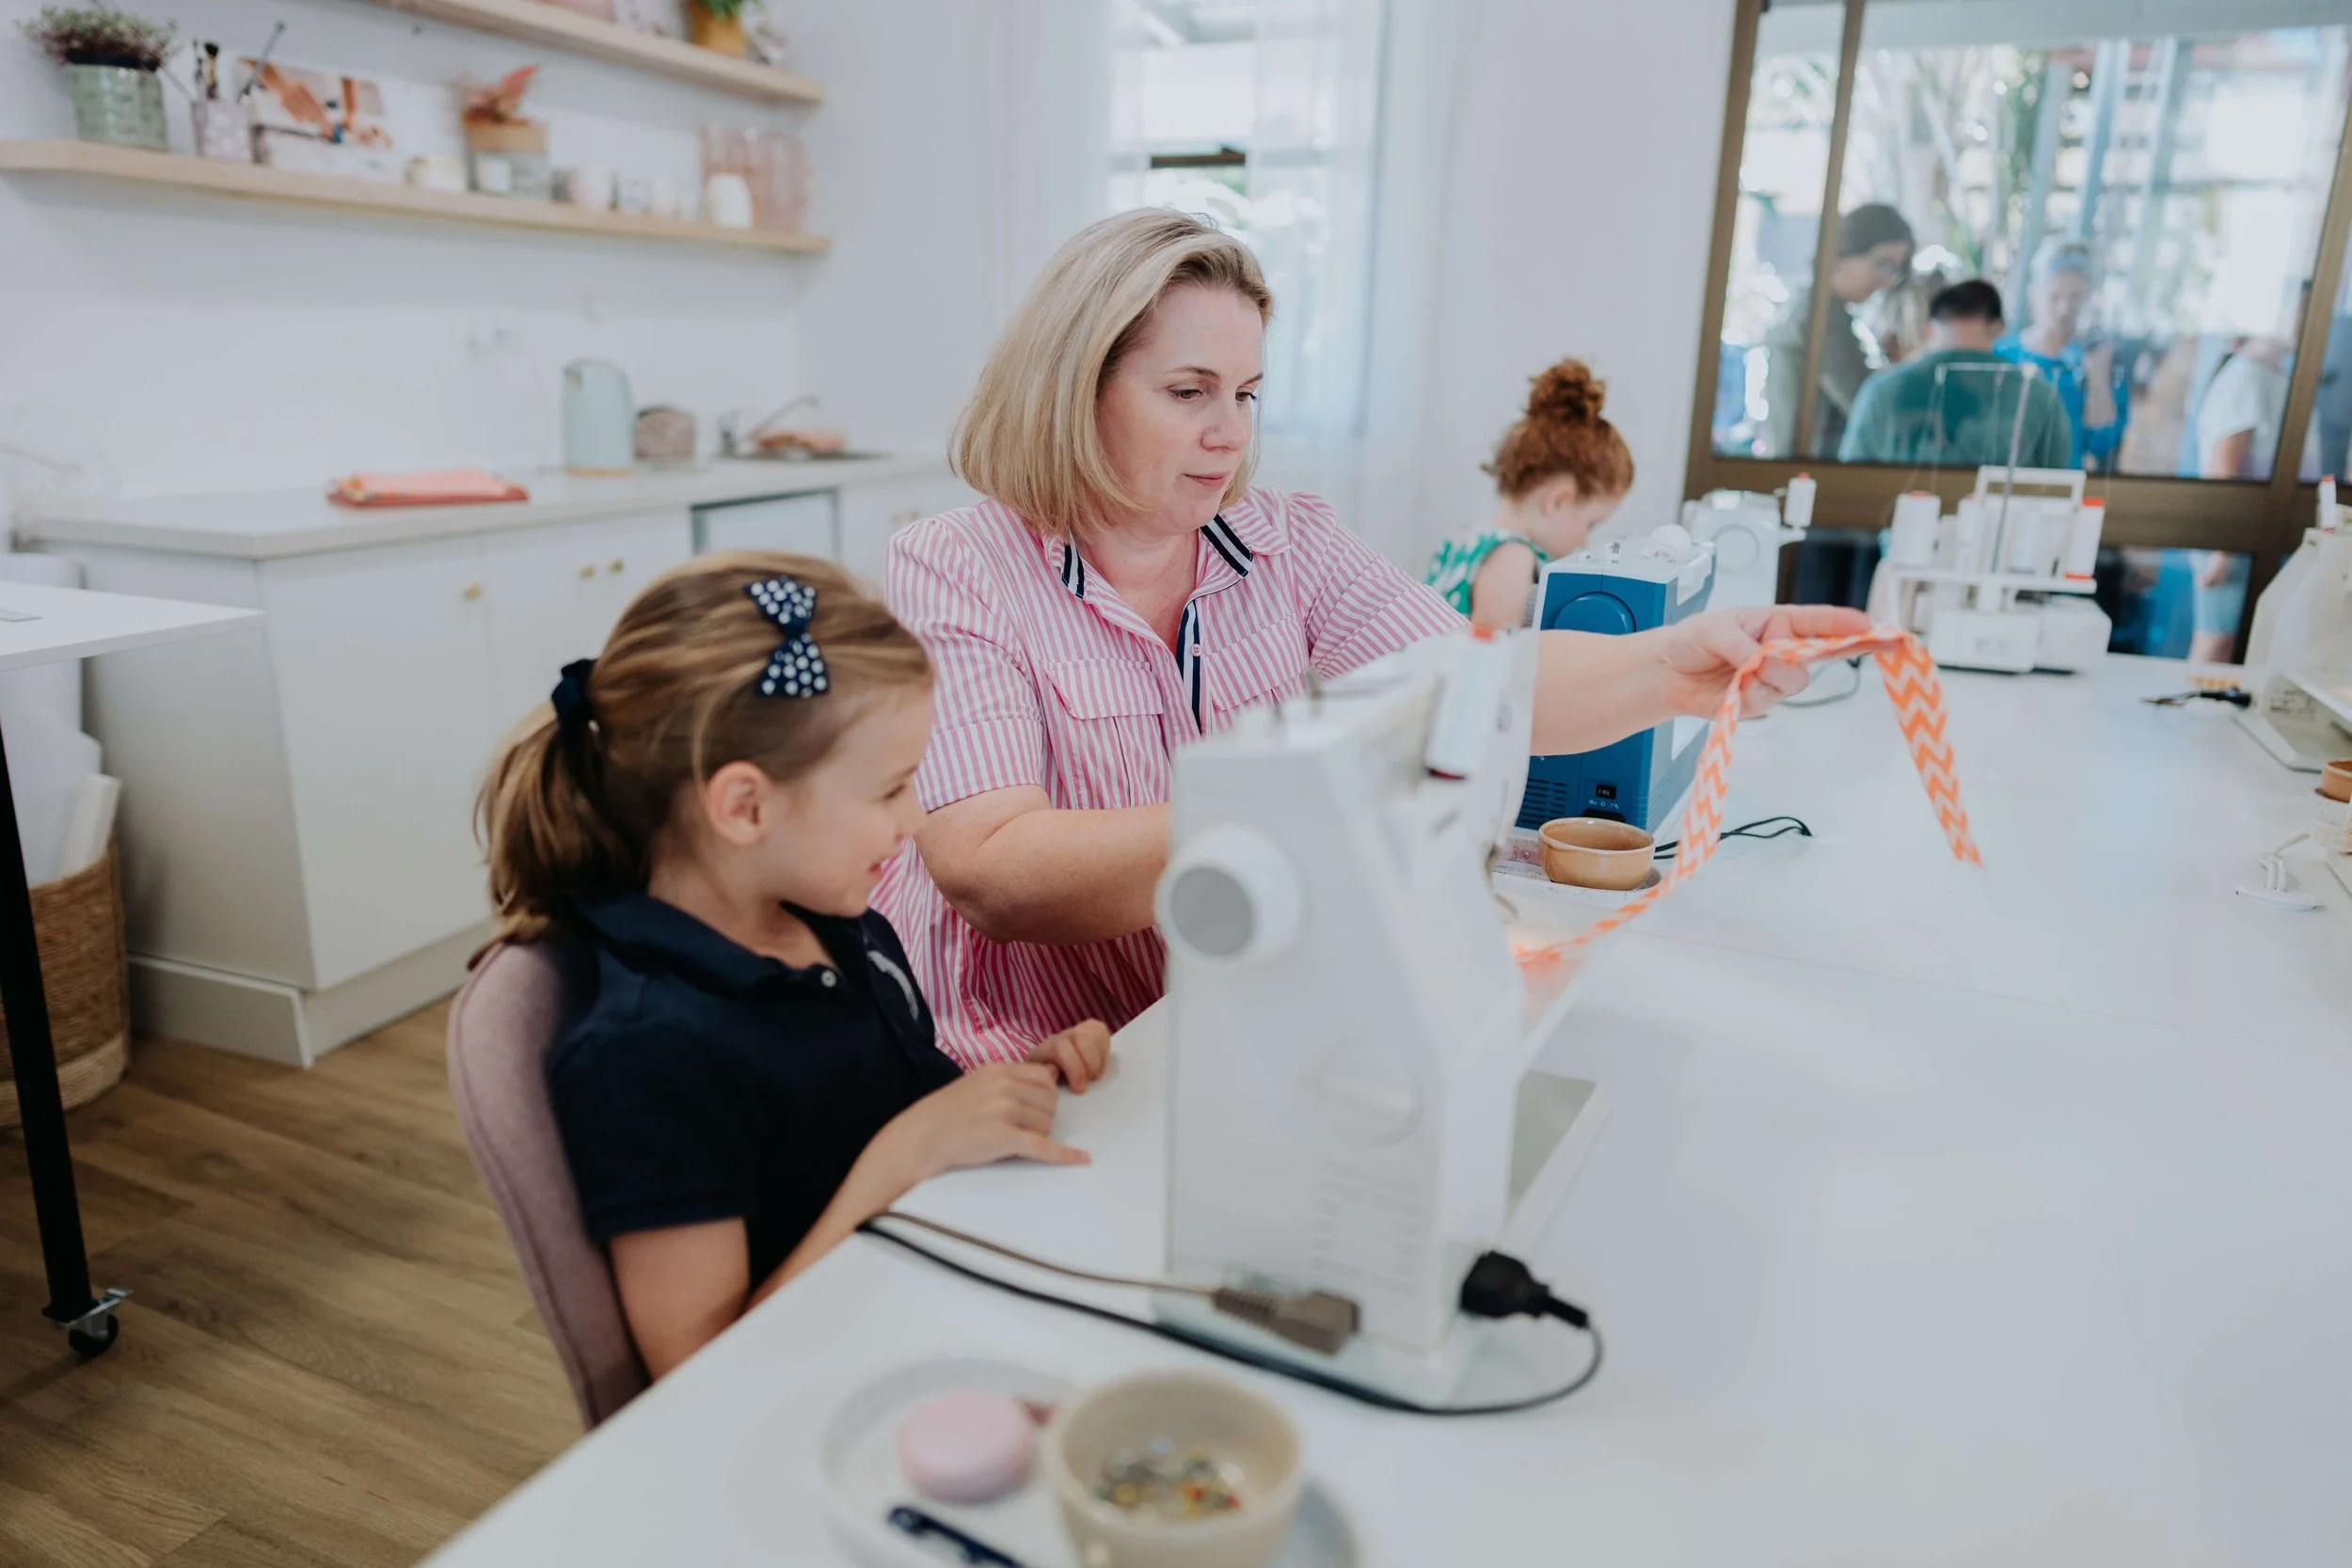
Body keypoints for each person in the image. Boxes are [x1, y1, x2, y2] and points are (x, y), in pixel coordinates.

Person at [878, 208, 1868, 1066]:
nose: (1230, 432)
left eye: (1247, 392)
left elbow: (1479, 687)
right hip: (1020, 1049)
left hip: (1212, 1005)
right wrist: (1305, 804)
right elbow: (993, 869)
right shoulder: (957, 564)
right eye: (1188, 391)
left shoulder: (1285, 541)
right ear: (1073, 388)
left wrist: (1676, 665)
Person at [477, 554, 1113, 1379]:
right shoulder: (647, 1053)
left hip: (929, 1300)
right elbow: (697, 1371)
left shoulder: (833, 920)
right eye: (889, 790)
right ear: (745, 807)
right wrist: (903, 1157)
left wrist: (1006, 1091)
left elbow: (883, 1108)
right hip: (827, 1391)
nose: (916, 817)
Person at [1423, 357, 1633, 629]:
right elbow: (1499, 660)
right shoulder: (1512, 557)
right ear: (1558, 501)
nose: (1585, 539)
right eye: (1589, 523)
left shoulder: (1464, 538)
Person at [1837, 279, 2071, 469]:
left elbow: (1852, 476)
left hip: (1900, 524)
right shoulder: (2036, 395)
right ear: (1998, 329)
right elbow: (2056, 481)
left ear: (1928, 330)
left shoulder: (1884, 389)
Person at [1761, 202, 1915, 458]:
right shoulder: (1821, 316)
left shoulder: (1826, 311)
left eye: (1895, 269)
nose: (1887, 279)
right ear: (1842, 254)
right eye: (1883, 264)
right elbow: (1865, 403)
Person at [1994, 236, 2127, 470]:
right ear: (2034, 294)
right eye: (2055, 297)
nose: (2065, 309)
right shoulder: (2003, 355)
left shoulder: (2098, 363)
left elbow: (2101, 444)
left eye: (2076, 298)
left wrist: (2098, 379)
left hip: (2068, 485)